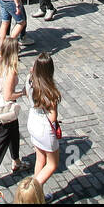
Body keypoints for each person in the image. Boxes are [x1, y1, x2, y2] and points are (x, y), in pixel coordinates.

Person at [0, 37, 29, 177]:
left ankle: (16, 160)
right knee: (3, 135)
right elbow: (8, 95)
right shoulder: (11, 70)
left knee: (14, 131)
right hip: (5, 105)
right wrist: (23, 92)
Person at [27, 53, 61, 188]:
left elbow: (32, 72)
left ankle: (38, 194)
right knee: (52, 164)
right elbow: (53, 117)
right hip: (44, 128)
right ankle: (32, 190)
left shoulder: (29, 81)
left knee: (40, 158)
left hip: (32, 121)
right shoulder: (50, 92)